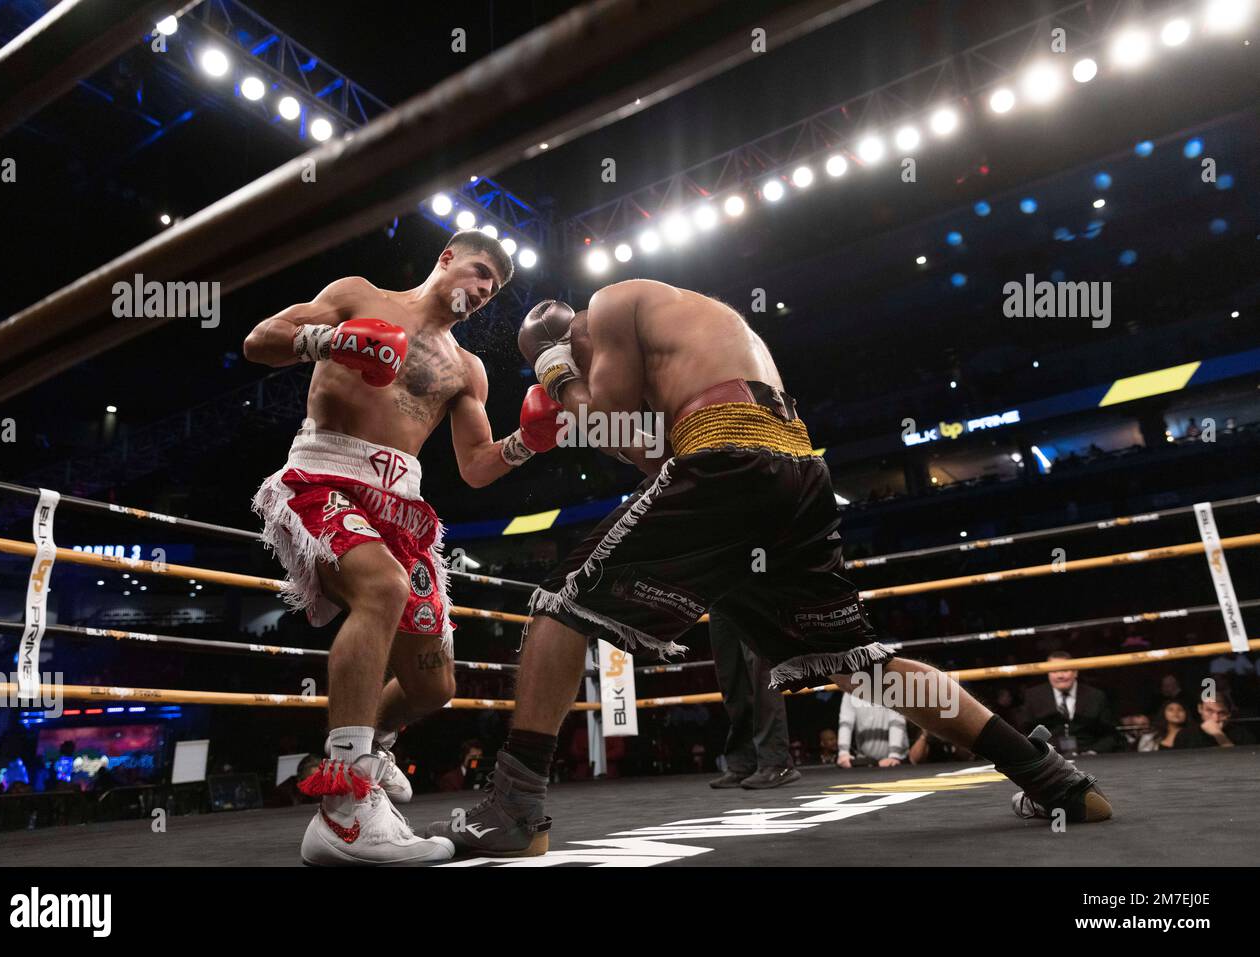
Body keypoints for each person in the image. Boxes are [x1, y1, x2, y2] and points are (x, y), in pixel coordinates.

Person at [425, 279, 1112, 856]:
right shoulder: (683, 323)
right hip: (792, 468)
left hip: (729, 452)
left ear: (565, 335)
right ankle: (1051, 778)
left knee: (557, 602)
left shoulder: (606, 309)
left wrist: (561, 380)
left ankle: (515, 807)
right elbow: (650, 451)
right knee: (857, 659)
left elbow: (608, 423)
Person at [243, 229, 564, 866]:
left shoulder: (467, 369)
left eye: (492, 288)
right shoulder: (358, 295)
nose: (481, 290)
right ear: (445, 258)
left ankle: (374, 747)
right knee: (381, 587)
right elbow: (258, 342)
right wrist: (332, 339)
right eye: (477, 272)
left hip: (403, 509)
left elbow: (475, 465)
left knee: (431, 685)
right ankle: (345, 804)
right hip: (325, 477)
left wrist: (531, 441)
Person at [707, 611, 800, 789]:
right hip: (718, 594)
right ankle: (743, 764)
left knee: (763, 677)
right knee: (732, 680)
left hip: (750, 589)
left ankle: (776, 763)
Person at [1019, 652, 1123, 754]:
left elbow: (1111, 734)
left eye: (1065, 670)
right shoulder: (1033, 696)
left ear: (1075, 672)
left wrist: (1093, 751)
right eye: (1054, 671)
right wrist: (1041, 753)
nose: (1060, 676)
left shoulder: (1095, 696)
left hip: (1089, 757)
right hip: (1049, 758)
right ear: (1048, 674)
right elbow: (1025, 732)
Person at [1175, 695, 1256, 748]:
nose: (1215, 718)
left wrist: (1219, 735)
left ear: (1229, 714)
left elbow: (1241, 764)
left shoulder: (1242, 734)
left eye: (1222, 713)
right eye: (1209, 711)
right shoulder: (1185, 735)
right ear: (1200, 709)